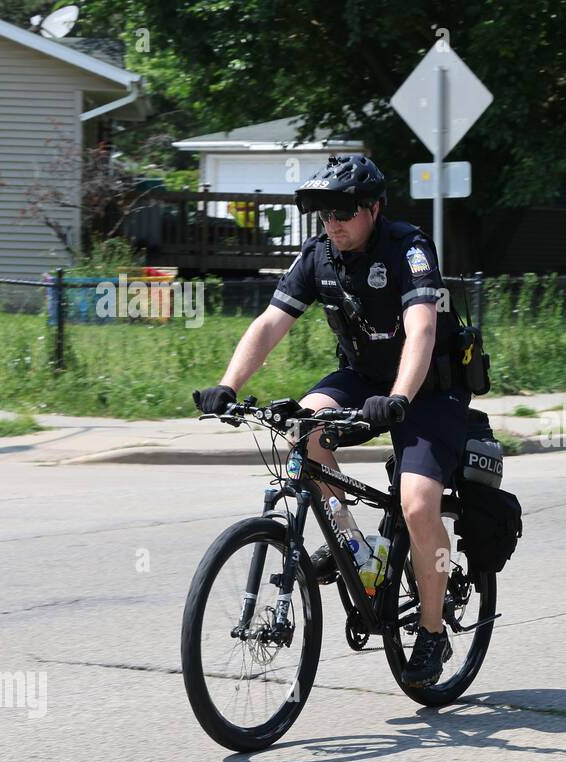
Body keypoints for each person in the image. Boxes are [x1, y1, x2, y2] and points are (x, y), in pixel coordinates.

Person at [193, 154, 467, 688]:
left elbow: (422, 332)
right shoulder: (319, 255)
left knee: (415, 502)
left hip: (428, 390)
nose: (332, 224)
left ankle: (432, 633)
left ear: (372, 208)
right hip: (362, 379)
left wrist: (399, 397)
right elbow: (272, 322)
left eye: (342, 211)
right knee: (302, 430)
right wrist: (229, 386)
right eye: (323, 214)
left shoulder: (408, 247)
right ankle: (354, 547)